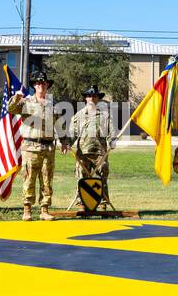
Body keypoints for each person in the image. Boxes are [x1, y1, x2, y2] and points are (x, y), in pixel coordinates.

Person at [7, 71, 65, 221]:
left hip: (48, 148)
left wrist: (64, 141)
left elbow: (59, 125)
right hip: (31, 146)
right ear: (34, 85)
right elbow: (11, 109)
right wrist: (17, 97)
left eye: (44, 83)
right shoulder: (26, 102)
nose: (41, 85)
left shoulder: (52, 105)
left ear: (47, 86)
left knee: (47, 180)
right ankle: (27, 210)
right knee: (29, 178)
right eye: (38, 83)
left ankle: (44, 210)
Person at [69, 86, 112, 205]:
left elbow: (111, 131)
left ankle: (103, 203)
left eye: (94, 96)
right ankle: (81, 203)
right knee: (81, 178)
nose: (91, 98)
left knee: (102, 178)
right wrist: (67, 143)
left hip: (100, 153)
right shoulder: (78, 115)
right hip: (83, 153)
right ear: (85, 98)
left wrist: (113, 140)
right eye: (89, 96)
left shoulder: (105, 115)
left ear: (98, 98)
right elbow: (72, 133)